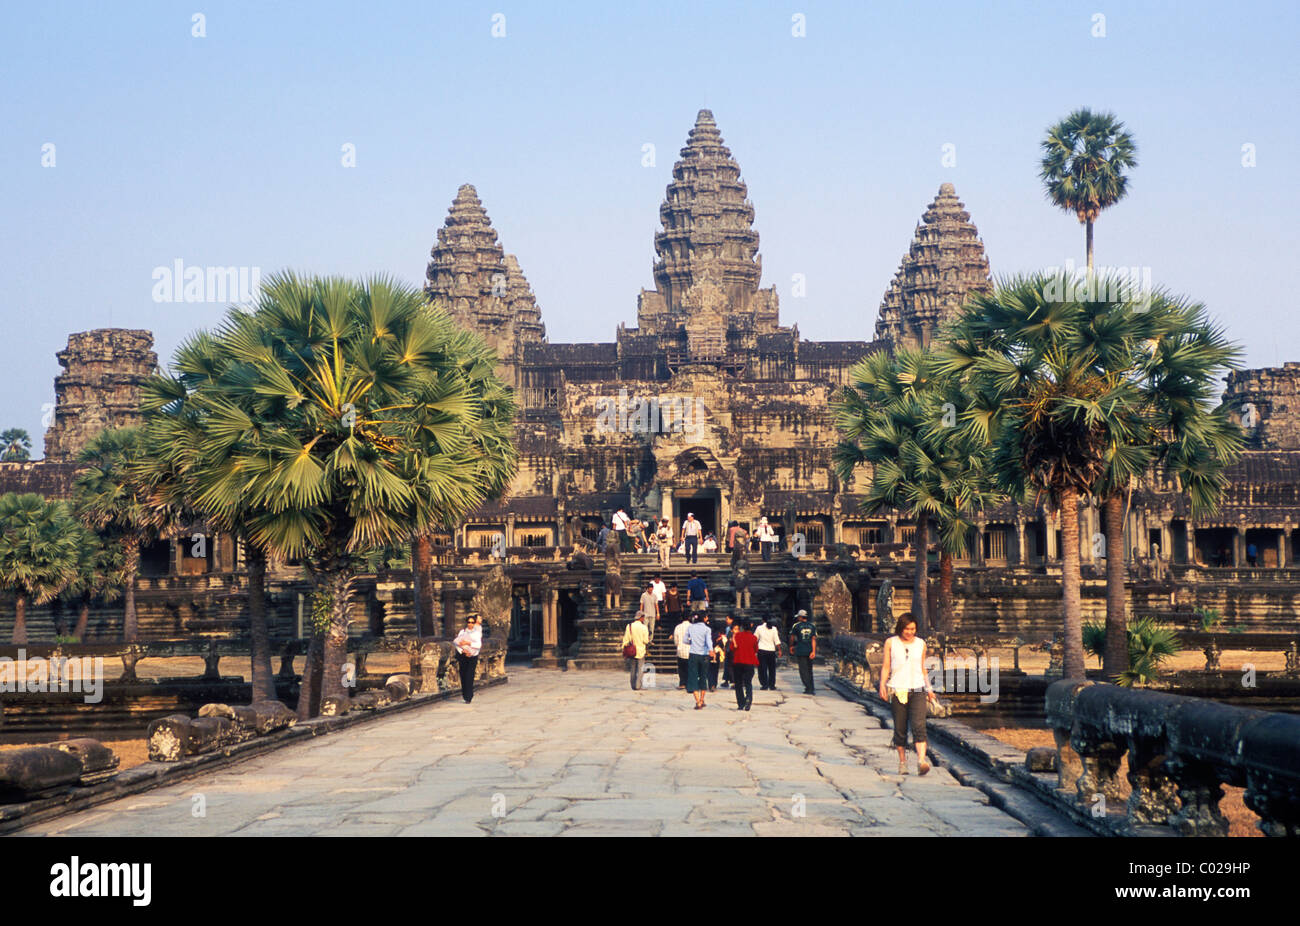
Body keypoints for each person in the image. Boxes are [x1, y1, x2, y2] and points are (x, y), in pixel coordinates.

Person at [878, 614, 937, 775]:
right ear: (900, 628)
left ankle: (921, 761)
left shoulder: (920, 644)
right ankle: (902, 762)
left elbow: (923, 668)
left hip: (918, 688)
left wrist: (929, 689)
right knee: (900, 728)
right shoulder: (891, 643)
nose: (910, 632)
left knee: (919, 725)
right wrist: (882, 685)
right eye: (907, 629)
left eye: (912, 629)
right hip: (898, 689)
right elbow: (886, 666)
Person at [452, 614, 483, 703]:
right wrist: (463, 651)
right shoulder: (462, 632)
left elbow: (478, 645)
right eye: (469, 622)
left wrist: (469, 644)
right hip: (463, 655)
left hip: (472, 656)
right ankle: (465, 695)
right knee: (463, 675)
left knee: (470, 675)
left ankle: (469, 696)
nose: (470, 624)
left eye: (472, 622)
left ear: (474, 623)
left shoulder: (477, 633)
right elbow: (456, 643)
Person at [685, 613, 713, 709]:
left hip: (693, 654)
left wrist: (692, 642)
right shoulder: (707, 629)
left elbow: (685, 640)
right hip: (704, 654)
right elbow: (709, 641)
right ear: (704, 618)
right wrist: (711, 650)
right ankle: (702, 699)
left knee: (693, 677)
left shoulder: (690, 627)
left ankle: (697, 702)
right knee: (703, 676)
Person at [729, 619, 759, 710]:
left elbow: (732, 648)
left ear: (742, 627)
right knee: (748, 683)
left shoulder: (737, 636)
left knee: (738, 684)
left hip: (738, 661)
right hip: (749, 662)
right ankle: (748, 699)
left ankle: (740, 703)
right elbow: (756, 650)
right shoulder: (754, 638)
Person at [790, 609, 817, 695]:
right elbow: (814, 639)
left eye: (798, 617)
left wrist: (791, 646)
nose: (798, 618)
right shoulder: (812, 626)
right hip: (809, 650)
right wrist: (813, 651)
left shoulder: (796, 626)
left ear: (801, 617)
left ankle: (808, 687)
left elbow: (792, 637)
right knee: (809, 670)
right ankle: (811, 687)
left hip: (801, 650)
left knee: (803, 670)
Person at [622, 613, 650, 690]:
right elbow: (646, 641)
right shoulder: (644, 627)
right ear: (641, 618)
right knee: (640, 668)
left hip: (632, 650)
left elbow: (626, 638)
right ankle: (638, 685)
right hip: (640, 650)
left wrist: (624, 648)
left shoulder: (629, 626)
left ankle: (633, 685)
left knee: (633, 668)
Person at [755, 615, 782, 690]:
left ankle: (764, 684)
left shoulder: (759, 628)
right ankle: (772, 685)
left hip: (761, 650)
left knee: (762, 668)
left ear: (762, 620)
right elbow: (777, 641)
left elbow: (755, 639)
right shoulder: (774, 629)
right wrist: (779, 650)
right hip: (771, 651)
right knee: (772, 669)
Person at [673, 614, 692, 690]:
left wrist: (677, 645)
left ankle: (682, 683)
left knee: (681, 668)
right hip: (690, 650)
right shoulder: (692, 627)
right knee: (690, 668)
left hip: (680, 650)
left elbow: (676, 639)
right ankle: (689, 683)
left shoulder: (678, 627)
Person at [720, 614, 735, 688]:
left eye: (727, 619)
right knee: (727, 665)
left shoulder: (732, 629)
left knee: (730, 666)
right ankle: (726, 680)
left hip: (731, 648)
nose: (726, 621)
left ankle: (731, 681)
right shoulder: (727, 628)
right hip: (728, 648)